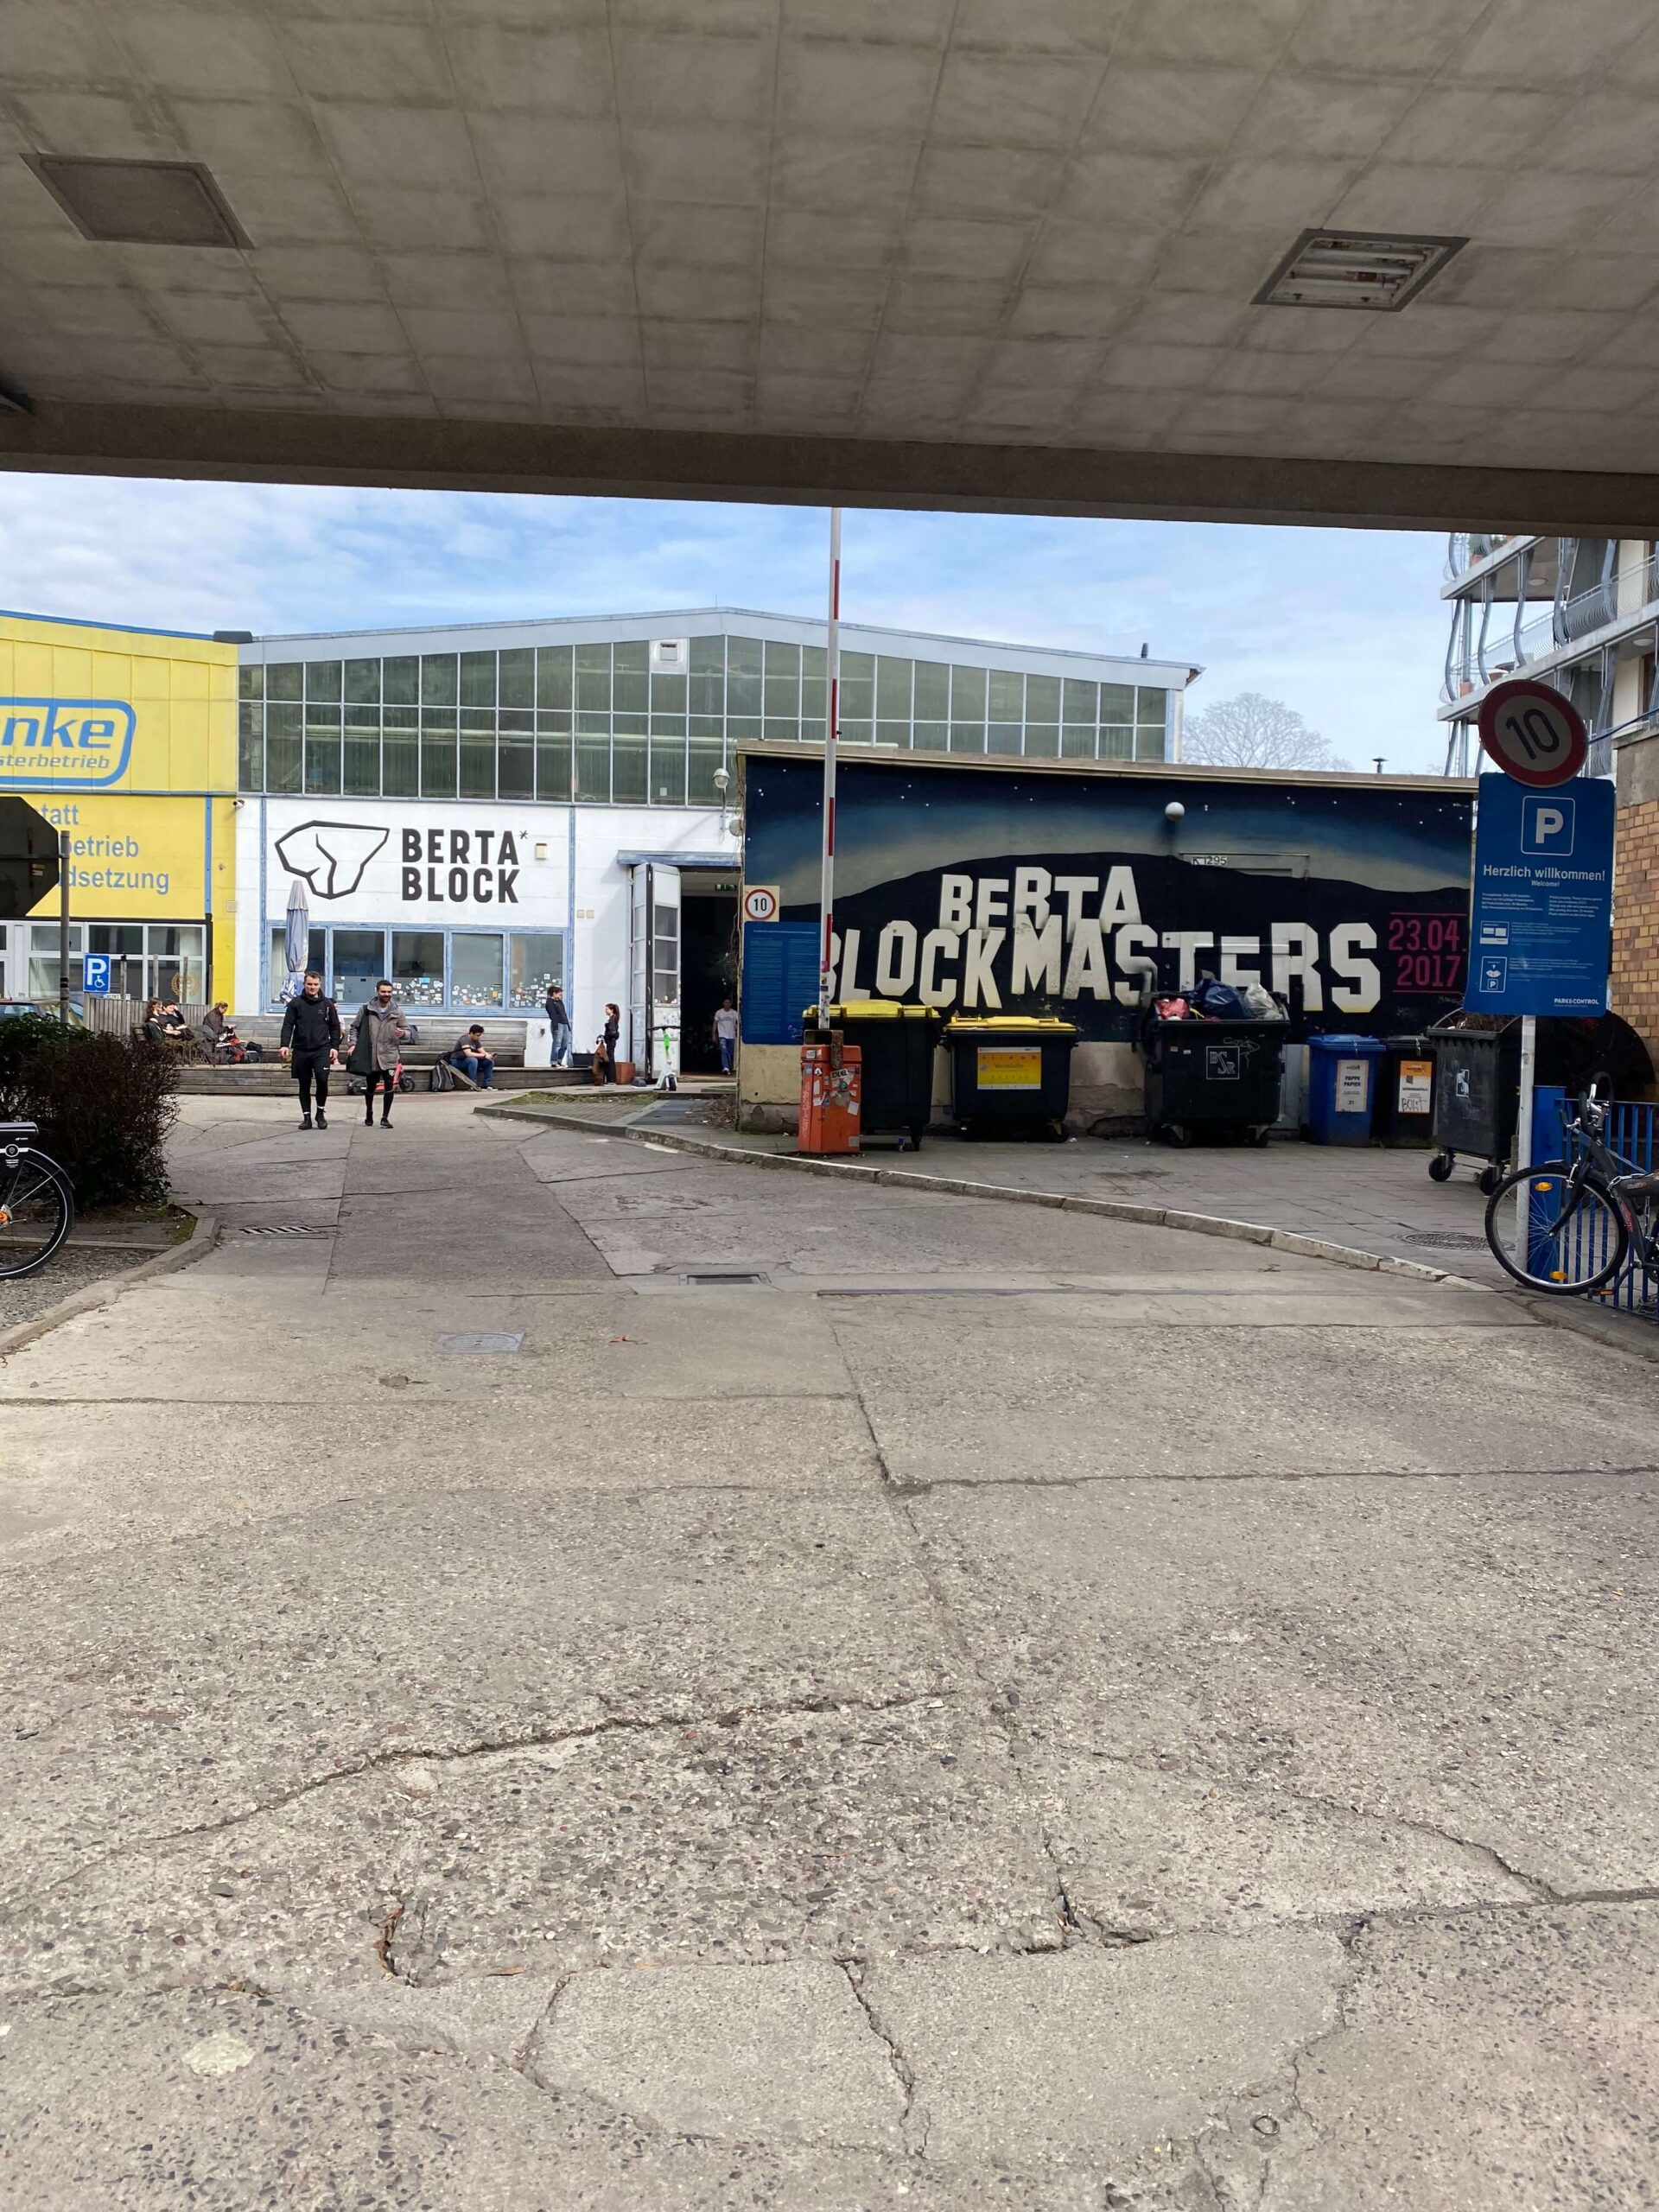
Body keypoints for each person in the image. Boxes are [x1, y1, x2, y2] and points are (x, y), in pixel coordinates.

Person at [279, 969, 341, 1130]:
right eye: (309, 984)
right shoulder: (296, 1003)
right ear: (304, 984)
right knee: (304, 1084)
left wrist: (335, 1047)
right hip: (301, 1050)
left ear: (320, 984)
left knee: (322, 1080)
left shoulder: (327, 1004)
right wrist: (284, 1044)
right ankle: (306, 1118)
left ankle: (320, 1114)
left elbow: (335, 1027)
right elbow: (288, 1025)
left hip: (321, 1049)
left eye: (315, 984)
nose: (312, 987)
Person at [346, 978, 407, 1129]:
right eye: (383, 992)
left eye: (389, 992)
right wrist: (353, 1044)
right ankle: (369, 1113)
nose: (387, 995)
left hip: (389, 1054)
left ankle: (385, 1118)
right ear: (377, 991)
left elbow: (408, 1031)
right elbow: (354, 1028)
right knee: (371, 1087)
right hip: (371, 1055)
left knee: (389, 1086)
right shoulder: (366, 1009)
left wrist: (403, 1034)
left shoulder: (397, 1011)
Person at [450, 1023, 495, 1090]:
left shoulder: (476, 1040)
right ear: (471, 1033)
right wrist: (484, 1055)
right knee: (473, 1060)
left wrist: (489, 1056)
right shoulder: (464, 1039)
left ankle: (487, 1084)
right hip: (457, 1061)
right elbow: (468, 1054)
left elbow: (482, 1051)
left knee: (489, 1061)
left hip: (470, 1062)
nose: (479, 1037)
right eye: (477, 1035)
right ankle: (473, 1083)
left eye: (480, 1035)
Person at [543, 982, 571, 1069]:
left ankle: (559, 1061)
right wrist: (555, 1027)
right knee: (557, 1043)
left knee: (565, 1044)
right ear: (554, 993)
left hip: (564, 1024)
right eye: (559, 995)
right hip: (558, 1024)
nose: (560, 997)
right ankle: (554, 1062)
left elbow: (564, 1013)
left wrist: (568, 1026)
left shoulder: (559, 1002)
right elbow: (553, 1015)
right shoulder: (550, 1002)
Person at [713, 995, 739, 1075]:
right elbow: (715, 1023)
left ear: (731, 1004)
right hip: (722, 1035)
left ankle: (729, 1067)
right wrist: (714, 1035)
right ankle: (726, 1067)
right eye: (726, 1002)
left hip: (731, 1036)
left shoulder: (734, 1013)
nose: (727, 1004)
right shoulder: (719, 1013)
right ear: (723, 1003)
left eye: (728, 1003)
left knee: (730, 1052)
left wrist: (738, 1031)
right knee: (724, 1051)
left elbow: (739, 1023)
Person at [602, 1002, 621, 1084]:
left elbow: (612, 1031)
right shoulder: (613, 1018)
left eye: (607, 1009)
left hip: (610, 1041)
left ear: (612, 1010)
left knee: (610, 1059)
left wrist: (606, 1036)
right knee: (610, 1058)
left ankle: (611, 1079)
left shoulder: (612, 1019)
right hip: (611, 1041)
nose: (605, 1011)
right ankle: (611, 1079)